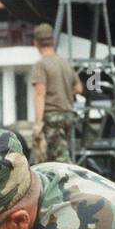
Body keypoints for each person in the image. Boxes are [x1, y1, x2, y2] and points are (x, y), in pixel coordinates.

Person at [29, 23, 80, 163]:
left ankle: (69, 183)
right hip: (68, 116)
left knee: (58, 160)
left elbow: (40, 93)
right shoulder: (65, 63)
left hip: (52, 117)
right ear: (54, 42)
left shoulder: (41, 64)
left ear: (36, 43)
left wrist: (38, 123)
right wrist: (63, 90)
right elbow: (79, 88)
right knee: (58, 155)